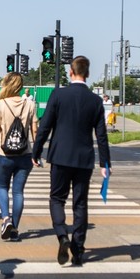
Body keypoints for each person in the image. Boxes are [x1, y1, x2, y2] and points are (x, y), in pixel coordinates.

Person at [32, 55, 111, 266]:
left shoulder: (58, 95)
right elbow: (101, 135)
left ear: (71, 72)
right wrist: (105, 163)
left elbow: (45, 126)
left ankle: (62, 236)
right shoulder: (95, 101)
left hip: (59, 157)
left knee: (57, 199)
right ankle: (78, 249)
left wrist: (36, 151)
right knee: (80, 203)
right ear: (87, 73)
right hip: (84, 159)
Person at [0, 72, 38, 241]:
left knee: (2, 187)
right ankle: (14, 229)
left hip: (5, 154)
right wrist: (36, 151)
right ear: (21, 86)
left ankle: (5, 219)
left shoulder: (1, 104)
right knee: (18, 192)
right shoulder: (30, 104)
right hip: (25, 154)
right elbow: (35, 129)